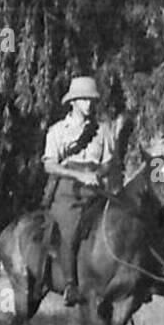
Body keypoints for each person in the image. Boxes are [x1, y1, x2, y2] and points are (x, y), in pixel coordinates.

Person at [43, 76, 115, 306]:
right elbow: (49, 164)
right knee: (70, 227)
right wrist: (78, 175)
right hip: (68, 190)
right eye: (84, 99)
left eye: (92, 99)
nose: (89, 104)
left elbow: (109, 162)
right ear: (73, 102)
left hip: (95, 189)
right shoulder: (57, 131)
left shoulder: (103, 130)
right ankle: (71, 285)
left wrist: (99, 173)